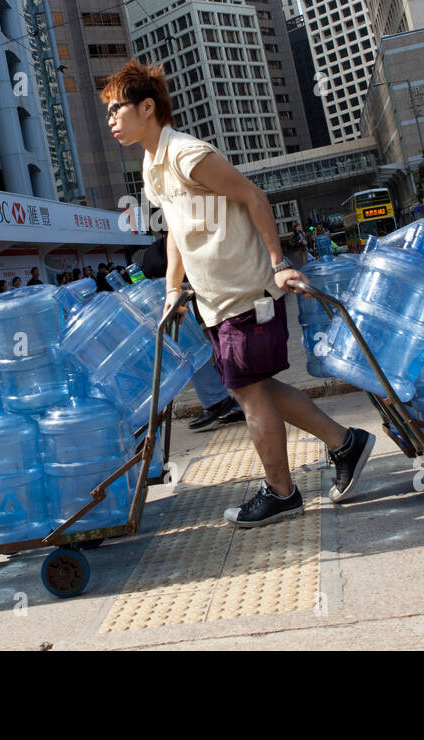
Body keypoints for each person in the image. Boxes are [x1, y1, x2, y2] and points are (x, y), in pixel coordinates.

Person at [105, 58, 374, 527]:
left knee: (247, 393)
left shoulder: (188, 154)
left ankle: (282, 491)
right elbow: (176, 230)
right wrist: (173, 289)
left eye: (116, 109)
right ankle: (345, 443)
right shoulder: (153, 165)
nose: (111, 120)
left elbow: (253, 197)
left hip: (246, 292)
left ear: (147, 108)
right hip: (214, 299)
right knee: (257, 387)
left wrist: (279, 264)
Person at [140, 231, 244, 430]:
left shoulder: (162, 249)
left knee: (197, 353)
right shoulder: (173, 244)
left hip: (190, 307)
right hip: (199, 305)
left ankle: (223, 400)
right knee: (203, 353)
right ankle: (221, 400)